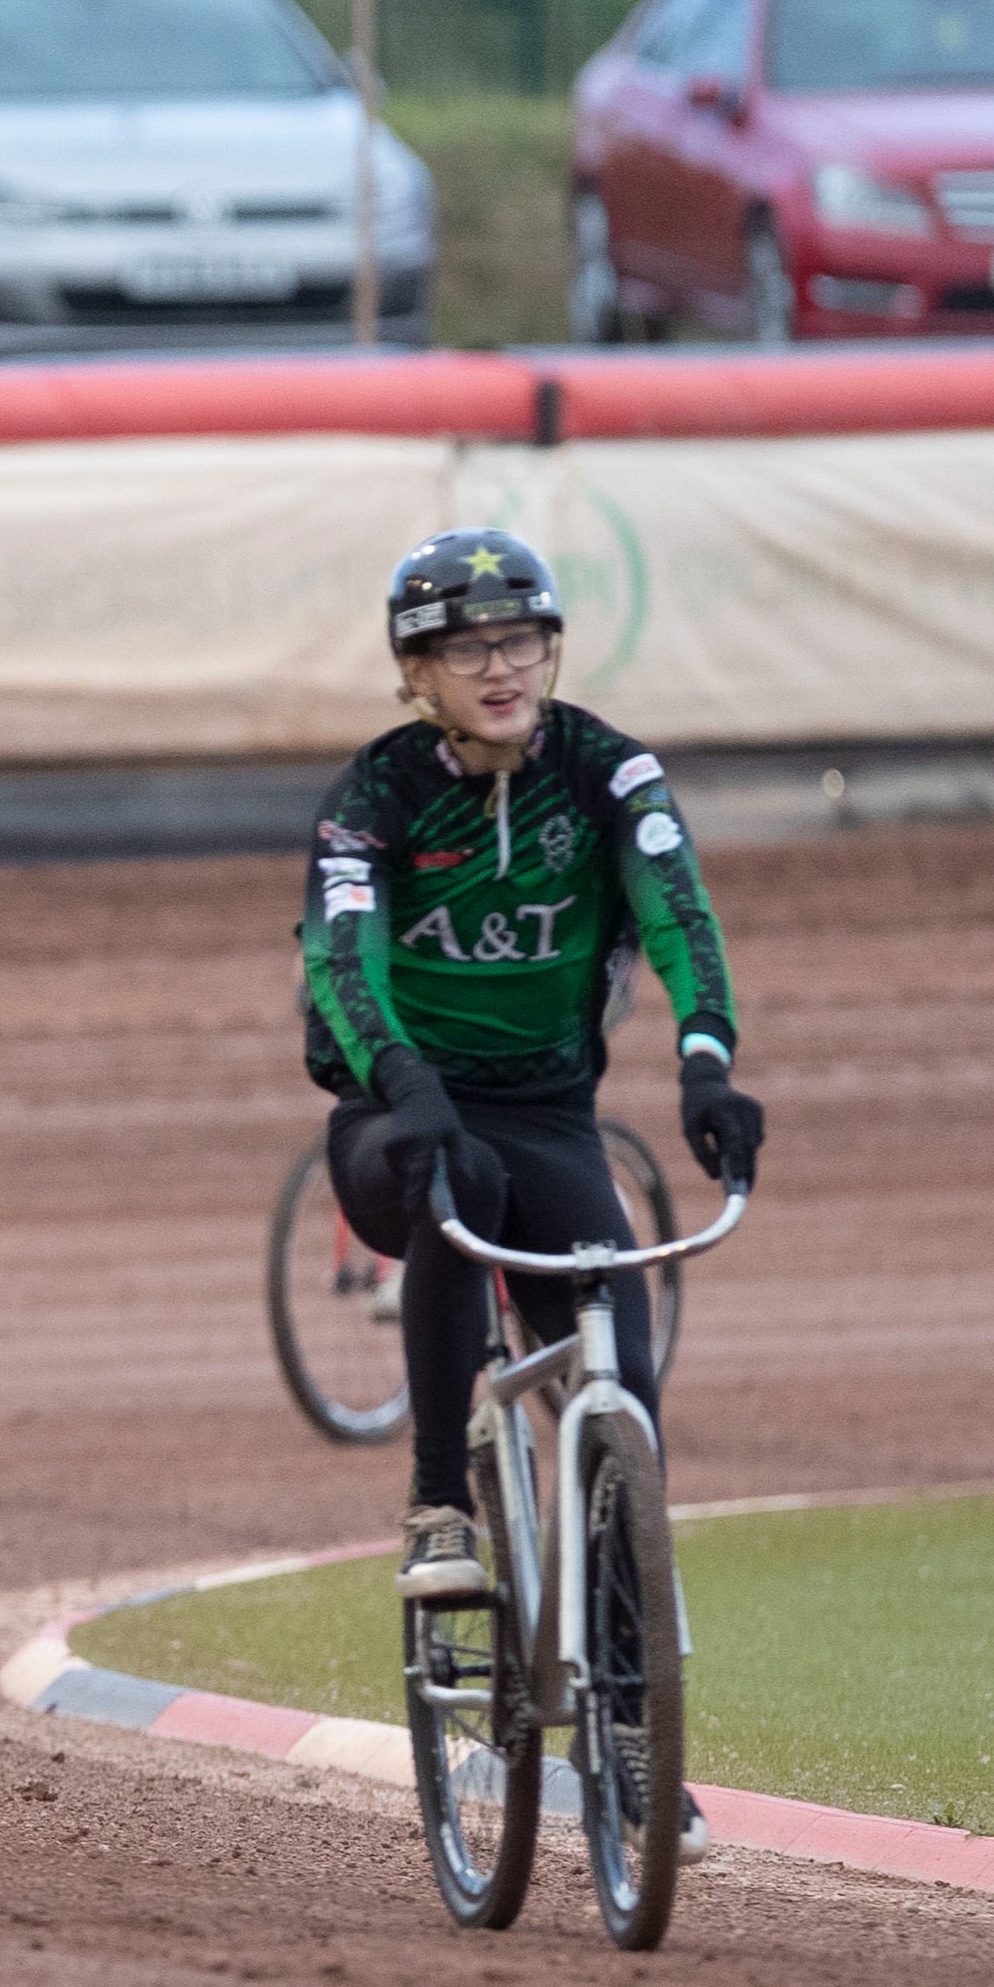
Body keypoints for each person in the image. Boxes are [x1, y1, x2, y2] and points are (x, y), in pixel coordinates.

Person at [302, 528, 764, 1603]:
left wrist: (706, 1061)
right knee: (467, 1179)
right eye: (466, 650)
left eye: (518, 640)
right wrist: (404, 1083)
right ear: (416, 673)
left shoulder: (611, 772)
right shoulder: (372, 793)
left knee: (627, 1397)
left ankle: (629, 1736)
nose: (499, 666)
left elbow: (679, 913)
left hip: (552, 1115)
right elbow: (339, 956)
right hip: (398, 1120)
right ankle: (436, 1504)